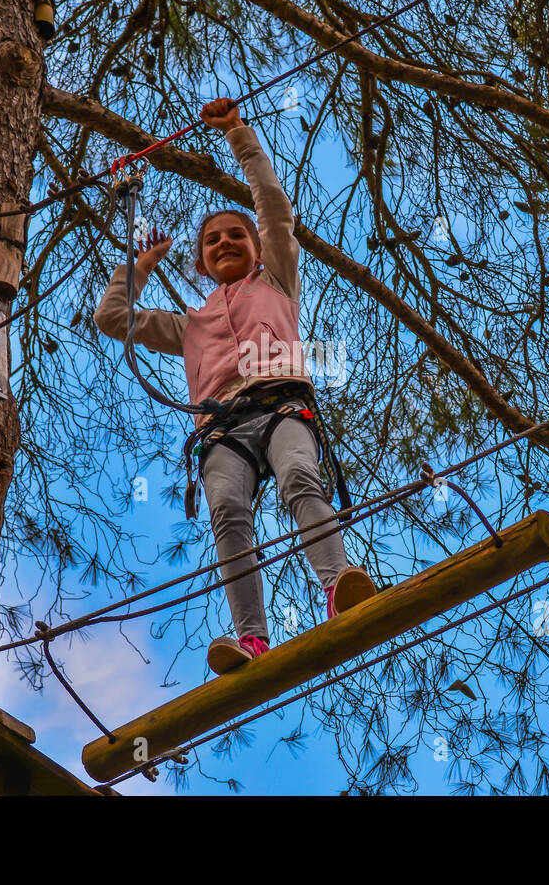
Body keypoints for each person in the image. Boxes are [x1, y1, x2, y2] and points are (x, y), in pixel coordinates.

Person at [94, 97, 376, 674]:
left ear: (255, 248)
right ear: (198, 262)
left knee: (301, 475)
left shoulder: (276, 278)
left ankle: (337, 586)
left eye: (235, 236)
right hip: (222, 428)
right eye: (212, 241)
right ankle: (252, 639)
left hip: (282, 406)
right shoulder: (187, 325)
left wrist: (238, 135)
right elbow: (110, 317)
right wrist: (142, 265)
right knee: (226, 508)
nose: (224, 243)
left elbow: (272, 206)